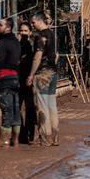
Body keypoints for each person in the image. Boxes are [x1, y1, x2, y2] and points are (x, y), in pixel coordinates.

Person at [29, 12, 60, 146]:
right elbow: (57, 55)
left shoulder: (40, 36)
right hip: (53, 73)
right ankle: (55, 137)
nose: (32, 25)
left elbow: (37, 57)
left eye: (33, 22)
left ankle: (46, 138)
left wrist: (31, 74)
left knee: (42, 106)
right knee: (52, 105)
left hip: (42, 73)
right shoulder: (53, 34)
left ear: (40, 21)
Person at [0, 18, 22, 147]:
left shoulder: (2, 43)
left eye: (0, 25)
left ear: (8, 28)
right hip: (15, 78)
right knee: (15, 108)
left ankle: (4, 140)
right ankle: (15, 139)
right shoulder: (16, 42)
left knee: (6, 109)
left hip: (4, 78)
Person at [18, 21, 37, 144]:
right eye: (21, 30)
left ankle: (30, 133)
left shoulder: (33, 45)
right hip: (19, 79)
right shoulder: (17, 45)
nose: (23, 33)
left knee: (30, 107)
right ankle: (21, 133)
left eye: (25, 31)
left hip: (29, 79)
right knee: (18, 106)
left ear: (30, 32)